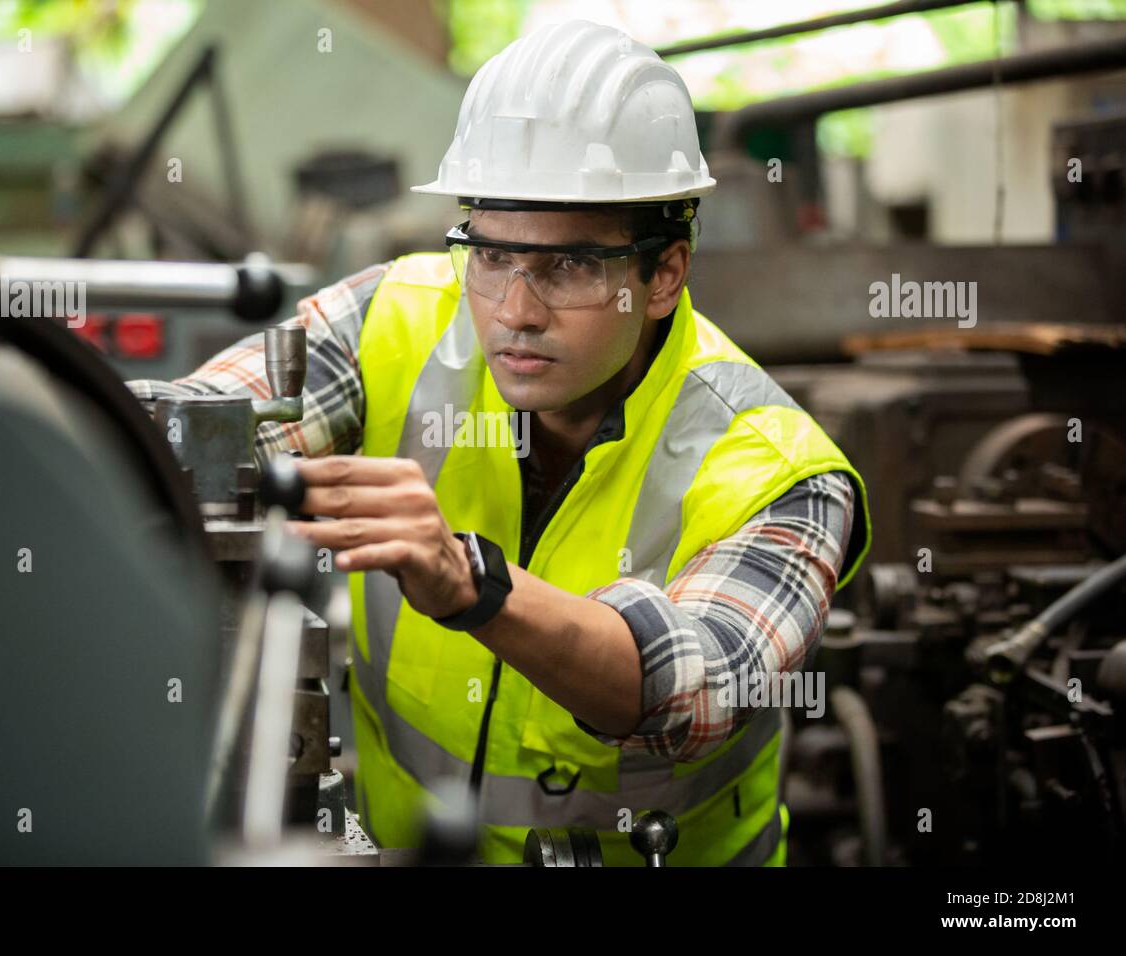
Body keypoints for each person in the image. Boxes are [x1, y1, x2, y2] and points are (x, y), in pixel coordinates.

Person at [128, 19, 870, 866]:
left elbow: (693, 689)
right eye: (489, 256)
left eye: (570, 267)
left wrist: (472, 582)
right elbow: (196, 424)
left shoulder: (777, 471)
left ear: (663, 274)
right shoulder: (393, 321)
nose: (515, 310)